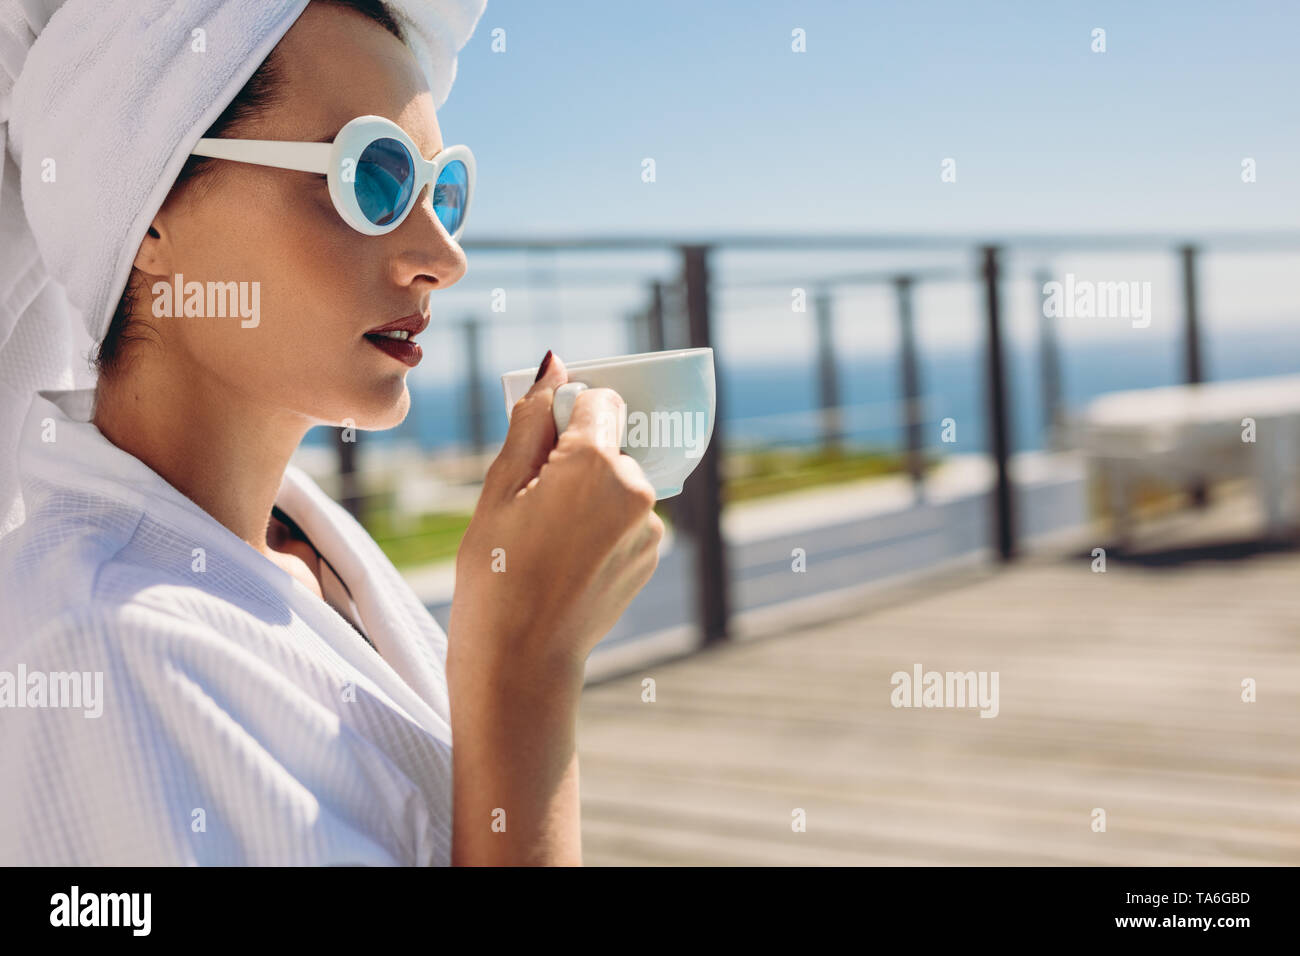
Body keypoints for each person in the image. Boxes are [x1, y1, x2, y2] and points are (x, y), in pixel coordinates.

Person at [0, 0, 663, 865]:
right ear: (148, 214)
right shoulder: (97, 642)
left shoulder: (301, 541)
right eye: (372, 179)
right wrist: (523, 674)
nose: (445, 255)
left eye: (443, 191)